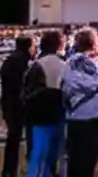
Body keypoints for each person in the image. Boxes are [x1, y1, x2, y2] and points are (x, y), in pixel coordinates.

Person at [63, 28, 98, 177]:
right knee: (89, 160)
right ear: (94, 43)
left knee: (74, 158)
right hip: (95, 116)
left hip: (74, 115)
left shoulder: (68, 64)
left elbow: (63, 88)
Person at [23, 30, 66, 177]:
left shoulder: (36, 66)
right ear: (59, 45)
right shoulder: (64, 64)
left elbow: (27, 93)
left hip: (39, 118)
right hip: (59, 114)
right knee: (54, 155)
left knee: (38, 154)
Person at [1, 35, 34, 177]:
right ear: (28, 46)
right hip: (19, 105)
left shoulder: (9, 60)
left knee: (12, 139)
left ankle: (9, 170)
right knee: (18, 138)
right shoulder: (23, 62)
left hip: (8, 104)